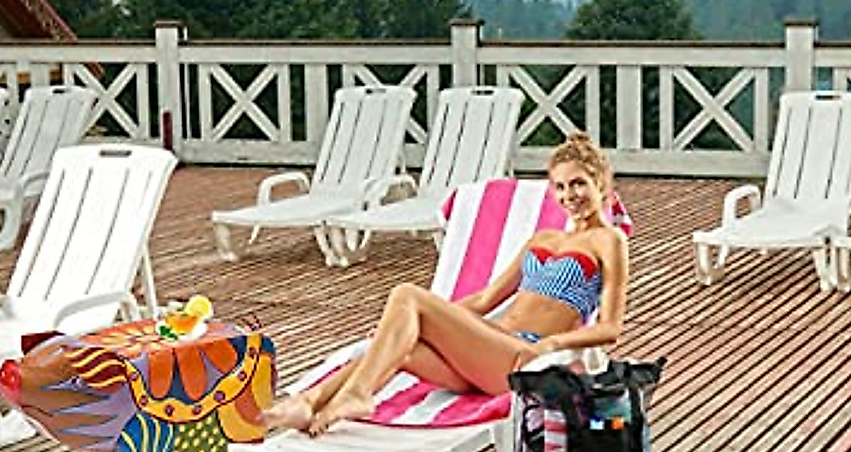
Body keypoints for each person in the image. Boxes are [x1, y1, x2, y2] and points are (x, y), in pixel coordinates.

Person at [262, 131, 629, 435]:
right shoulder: (542, 238)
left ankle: (358, 394)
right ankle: (308, 402)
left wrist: (553, 343)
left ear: (599, 183)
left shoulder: (609, 240)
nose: (569, 196)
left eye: (578, 184)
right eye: (560, 187)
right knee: (400, 345)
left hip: (525, 358)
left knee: (406, 294)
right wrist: (411, 324)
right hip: (488, 348)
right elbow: (485, 299)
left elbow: (610, 328)